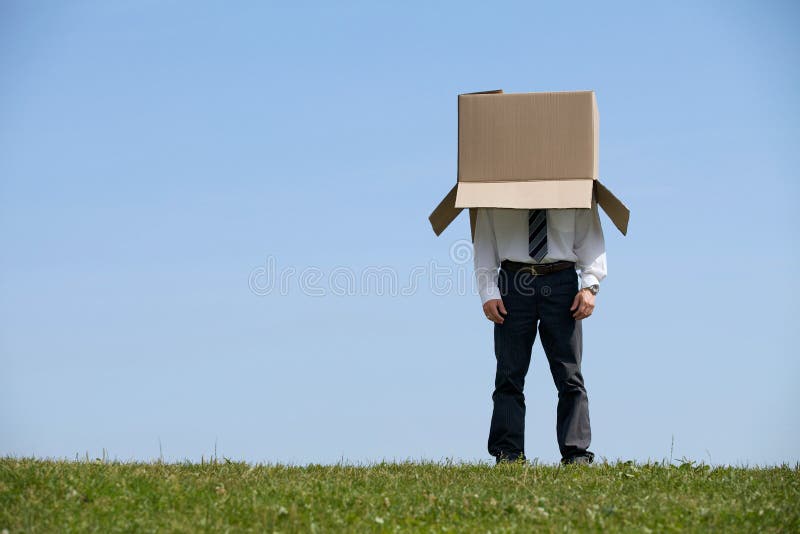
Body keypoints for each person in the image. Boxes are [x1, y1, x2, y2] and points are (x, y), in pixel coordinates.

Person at [472, 200, 606, 465]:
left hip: (561, 280)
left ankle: (576, 453)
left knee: (569, 372)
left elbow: (590, 236)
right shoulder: (493, 189)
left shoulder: (573, 184)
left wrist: (590, 285)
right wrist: (488, 291)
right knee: (509, 373)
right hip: (513, 282)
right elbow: (484, 241)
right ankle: (507, 454)